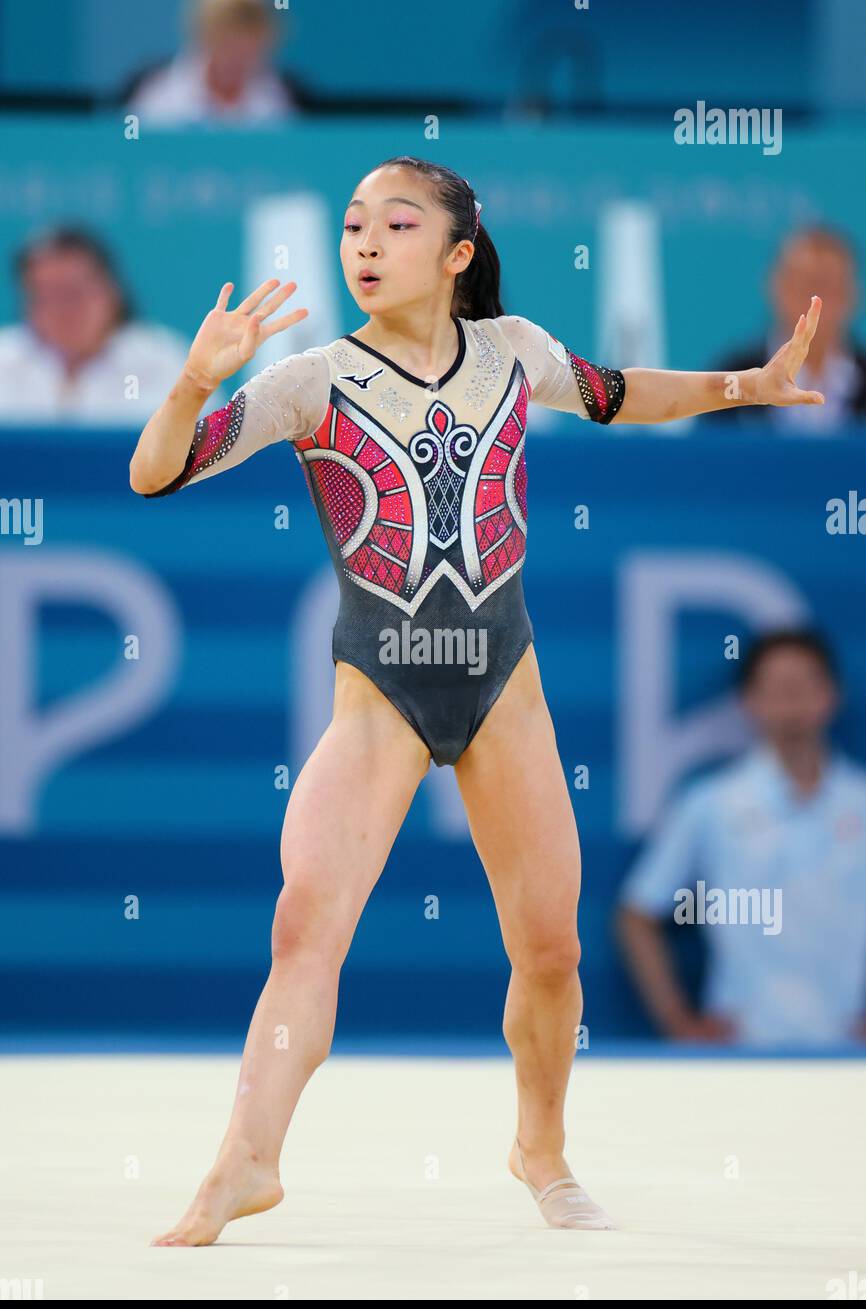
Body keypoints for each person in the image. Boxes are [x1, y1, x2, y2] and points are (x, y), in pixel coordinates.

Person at [129, 154, 825, 1246]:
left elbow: (615, 392)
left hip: (504, 686)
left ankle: (538, 1149)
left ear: (455, 255)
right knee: (305, 926)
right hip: (379, 693)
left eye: (395, 226)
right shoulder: (312, 379)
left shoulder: (512, 352)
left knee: (549, 948)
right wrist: (190, 382)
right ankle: (242, 1162)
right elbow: (156, 474)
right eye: (353, 224)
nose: (364, 243)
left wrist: (742, 386)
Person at [616, 630, 866, 1047]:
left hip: (850, 1053)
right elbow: (637, 913)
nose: (792, 702)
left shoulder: (860, 801)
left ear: (831, 695)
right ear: (749, 700)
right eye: (777, 688)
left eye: (803, 686)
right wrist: (679, 1022)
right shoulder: (711, 804)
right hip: (741, 1054)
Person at [0, 227, 196, 425]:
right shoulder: (4, 360)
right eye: (47, 296)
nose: (63, 310)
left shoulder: (165, 361)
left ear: (112, 292)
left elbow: (207, 447)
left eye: (74, 292)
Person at [704, 226, 866, 433]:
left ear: (853, 293)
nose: (815, 302)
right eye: (804, 285)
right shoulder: (734, 375)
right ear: (777, 285)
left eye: (830, 287)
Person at [128, 0, 302, 127]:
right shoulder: (160, 100)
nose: (237, 58)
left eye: (248, 49)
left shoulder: (278, 102)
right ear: (205, 38)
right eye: (228, 44)